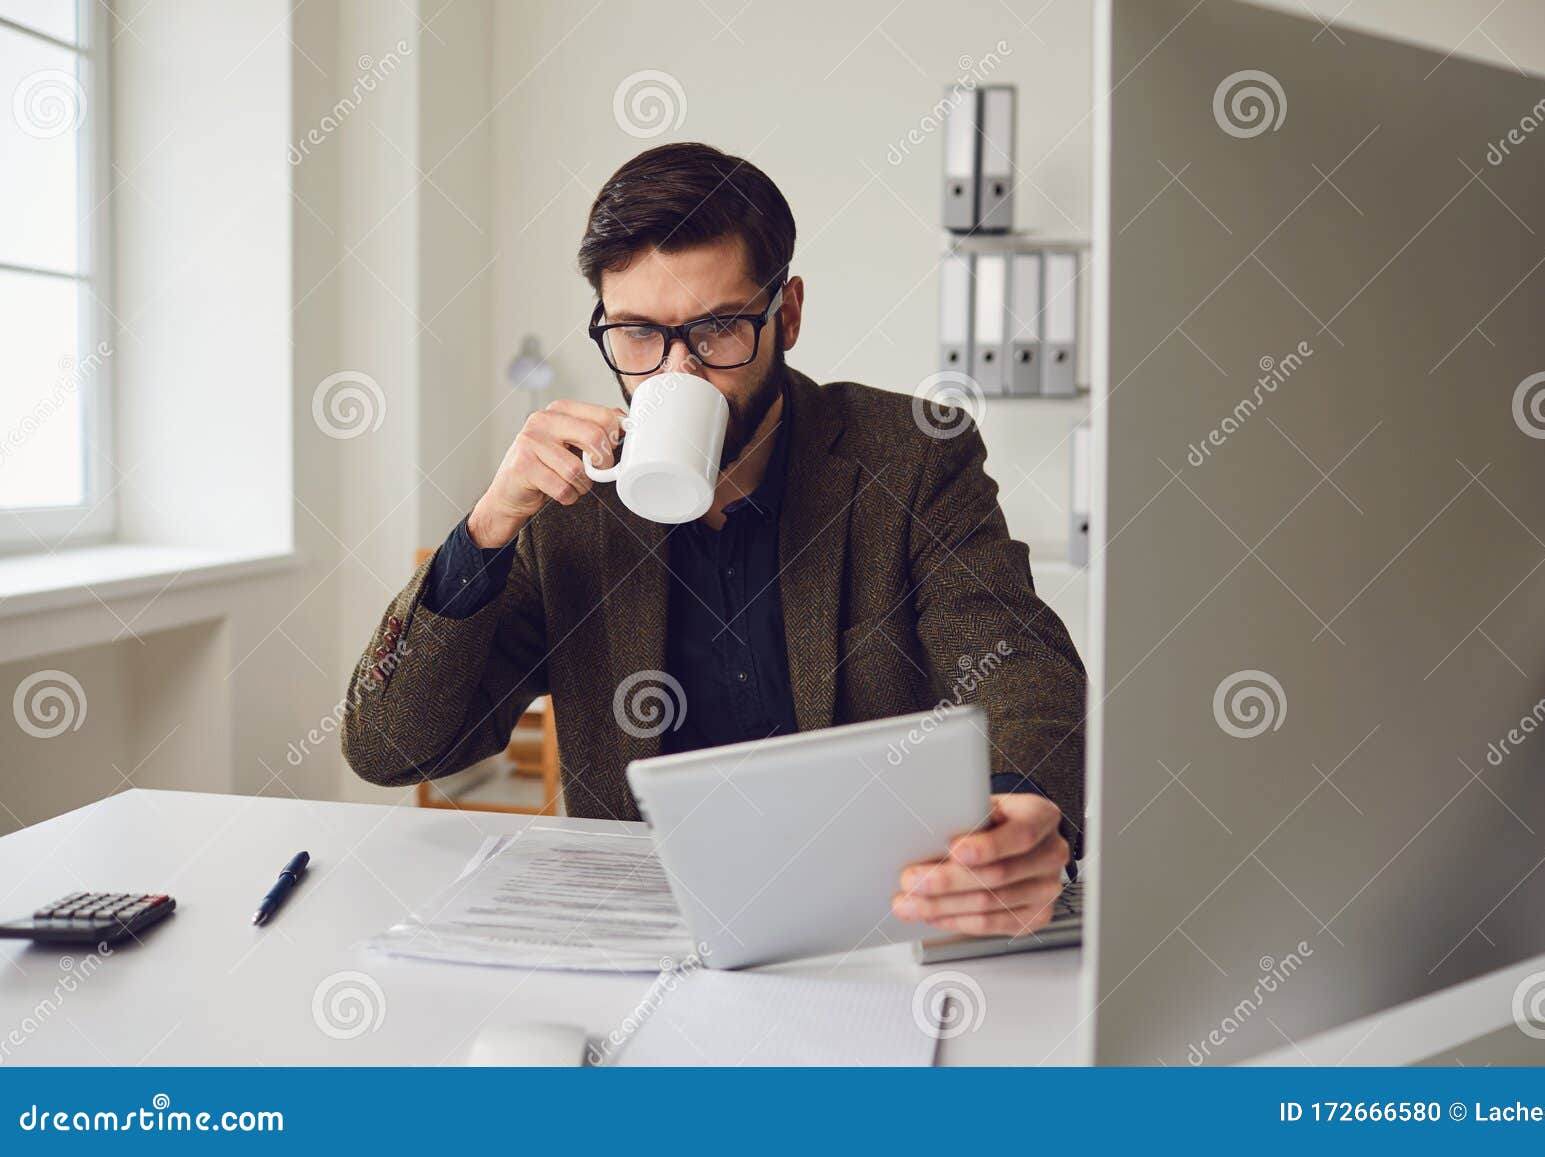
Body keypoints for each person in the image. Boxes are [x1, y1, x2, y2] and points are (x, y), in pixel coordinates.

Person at [342, 142, 1086, 937]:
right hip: (647, 929)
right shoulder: (570, 506)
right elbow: (387, 746)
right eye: (636, 334)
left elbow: (1018, 663)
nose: (677, 374)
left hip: (872, 918)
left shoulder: (909, 454)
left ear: (787, 315)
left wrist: (1026, 808)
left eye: (719, 328)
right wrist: (485, 528)